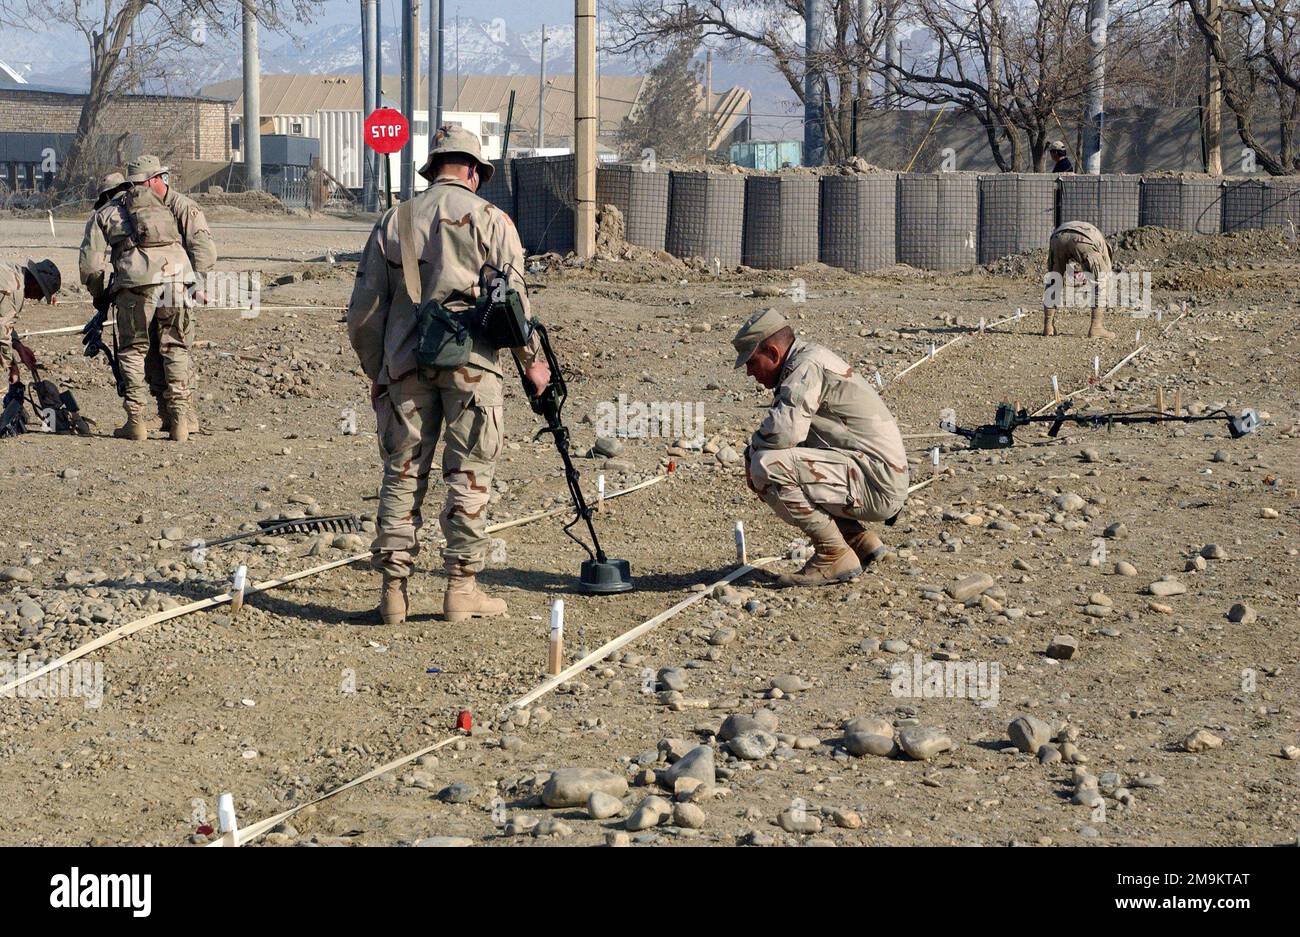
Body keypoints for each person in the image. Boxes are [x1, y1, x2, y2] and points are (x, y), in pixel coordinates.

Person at [347, 124, 550, 626]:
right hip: (473, 368)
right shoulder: (492, 220)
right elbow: (515, 305)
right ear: (474, 172)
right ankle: (461, 589)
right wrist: (533, 363)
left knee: (402, 474)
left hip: (405, 367)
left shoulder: (393, 220)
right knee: (469, 475)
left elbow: (363, 312)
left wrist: (379, 370)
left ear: (432, 169)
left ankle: (393, 593)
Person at [734, 309, 909, 587]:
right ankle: (857, 540)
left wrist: (750, 452)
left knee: (767, 466)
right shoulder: (807, 360)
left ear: (773, 353)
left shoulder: (806, 366)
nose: (749, 372)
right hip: (876, 477)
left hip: (877, 484)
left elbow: (784, 432)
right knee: (787, 455)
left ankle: (833, 554)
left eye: (752, 362)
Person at [79, 155, 216, 441]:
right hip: (178, 280)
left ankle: (137, 422)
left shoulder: (106, 213)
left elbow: (91, 267)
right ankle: (179, 421)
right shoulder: (163, 206)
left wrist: (100, 295)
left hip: (136, 285)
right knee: (176, 348)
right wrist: (193, 283)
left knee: (133, 351)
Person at [1043, 220, 1116, 339]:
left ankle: (1048, 327)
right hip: (1083, 239)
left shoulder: (1096, 237)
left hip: (1057, 236)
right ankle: (1096, 328)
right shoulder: (1103, 250)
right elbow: (1103, 276)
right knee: (1102, 280)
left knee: (1054, 279)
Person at [1, 259, 62, 381]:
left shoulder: (13, 272)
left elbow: (3, 319)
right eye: (42, 293)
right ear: (35, 285)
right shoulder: (14, 290)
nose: (39, 298)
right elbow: (1, 334)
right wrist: (12, 366)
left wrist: (19, 346)